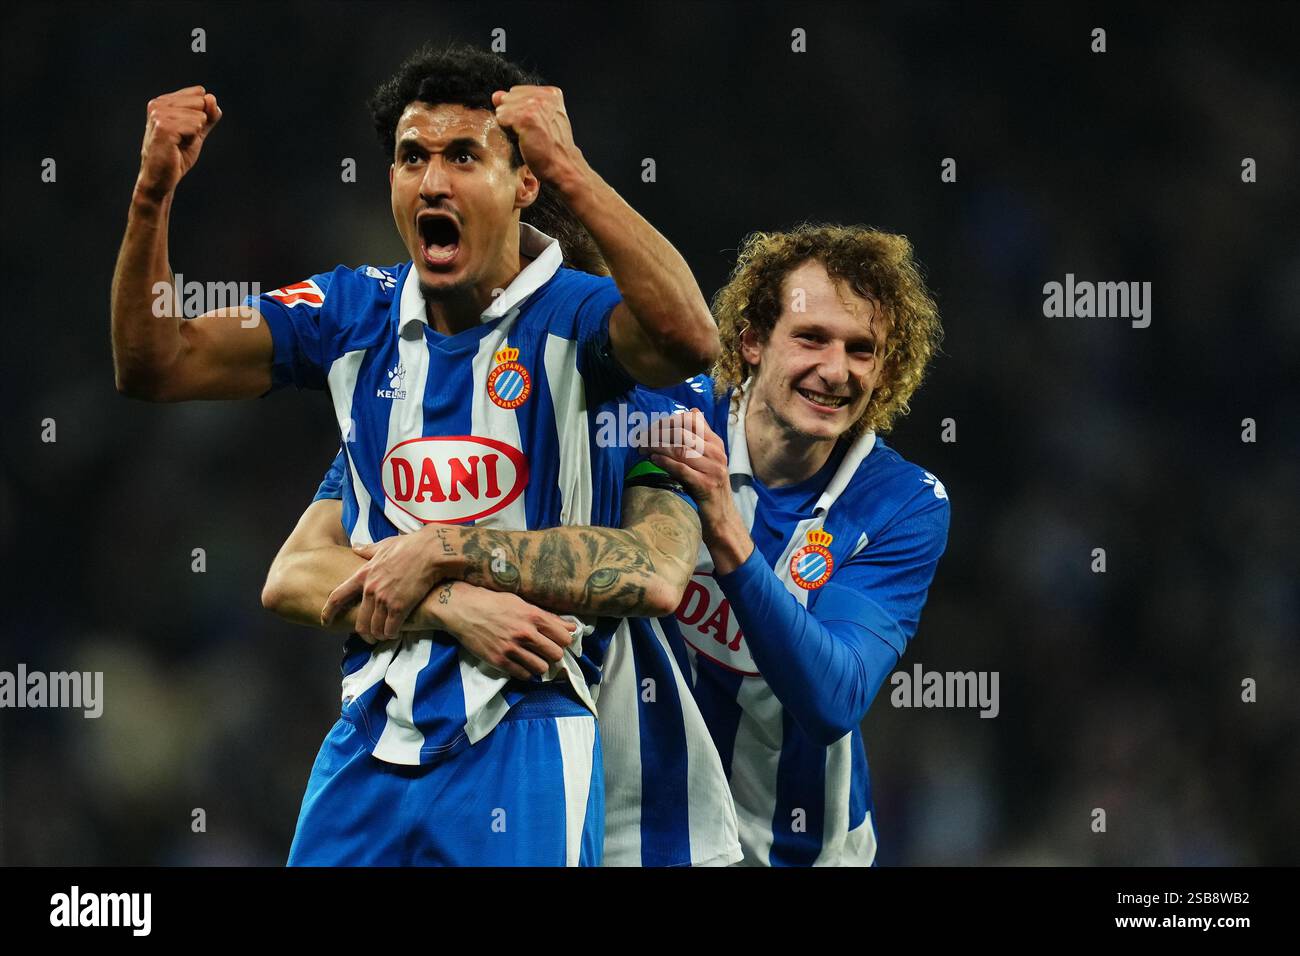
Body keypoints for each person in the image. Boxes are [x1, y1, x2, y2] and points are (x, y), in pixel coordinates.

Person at [110, 41, 735, 865]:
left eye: (464, 157)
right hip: (369, 730)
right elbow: (157, 363)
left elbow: (691, 341)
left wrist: (573, 166)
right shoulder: (352, 315)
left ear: (524, 185)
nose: (433, 180)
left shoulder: (582, 324)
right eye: (412, 158)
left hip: (529, 727)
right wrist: (153, 195)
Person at [643, 224, 950, 865]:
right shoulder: (670, 420)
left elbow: (833, 698)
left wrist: (727, 533)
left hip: (797, 851)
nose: (835, 371)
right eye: (812, 337)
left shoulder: (902, 503)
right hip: (644, 831)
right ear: (752, 341)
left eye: (862, 349)